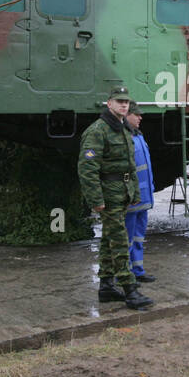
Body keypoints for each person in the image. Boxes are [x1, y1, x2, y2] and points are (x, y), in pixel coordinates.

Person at [78, 86, 153, 310]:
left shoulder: (123, 129)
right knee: (120, 241)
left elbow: (131, 166)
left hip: (123, 193)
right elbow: (87, 168)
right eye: (119, 101)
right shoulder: (97, 131)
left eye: (126, 102)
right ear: (109, 103)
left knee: (108, 241)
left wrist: (135, 194)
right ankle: (130, 290)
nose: (123, 105)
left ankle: (107, 286)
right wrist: (96, 200)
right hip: (108, 195)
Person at [124, 104, 156, 283]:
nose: (140, 118)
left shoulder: (138, 136)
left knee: (138, 237)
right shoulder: (124, 137)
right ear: (127, 115)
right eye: (136, 115)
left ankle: (138, 270)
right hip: (131, 200)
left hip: (143, 199)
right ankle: (125, 273)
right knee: (127, 239)